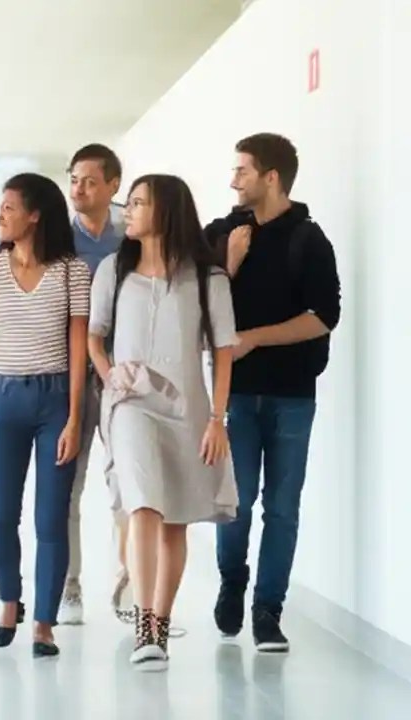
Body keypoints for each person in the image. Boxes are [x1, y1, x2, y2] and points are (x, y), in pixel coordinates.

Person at [88, 174, 238, 671]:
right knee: (144, 504)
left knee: (174, 517)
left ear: (166, 210)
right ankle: (145, 622)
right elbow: (95, 335)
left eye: (136, 203)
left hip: (188, 409)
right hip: (130, 406)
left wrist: (218, 418)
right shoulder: (114, 269)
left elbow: (223, 350)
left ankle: (161, 623)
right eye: (126, 203)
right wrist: (112, 380)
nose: (126, 211)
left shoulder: (208, 278)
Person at [206, 133, 341, 653]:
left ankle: (268, 610)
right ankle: (232, 579)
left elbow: (323, 317)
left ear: (271, 177)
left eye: (242, 171)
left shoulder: (309, 240)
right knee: (234, 505)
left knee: (282, 508)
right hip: (233, 396)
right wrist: (230, 264)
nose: (233, 180)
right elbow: (193, 295)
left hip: (292, 396)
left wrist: (253, 339)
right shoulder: (222, 234)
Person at [0, 173, 91, 657]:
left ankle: (43, 622)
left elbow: (78, 348)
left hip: (54, 398)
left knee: (51, 518)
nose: (0, 216)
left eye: (9, 207)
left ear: (35, 214)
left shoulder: (72, 272)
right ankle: (9, 601)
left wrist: (76, 418)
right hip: (1, 400)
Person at [62, 143, 127, 625]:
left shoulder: (134, 238)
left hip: (123, 374)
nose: (78, 189)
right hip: (73, 377)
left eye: (88, 180)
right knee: (69, 483)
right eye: (74, 179)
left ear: (112, 186)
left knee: (128, 482)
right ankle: (69, 588)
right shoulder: (58, 241)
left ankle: (129, 587)